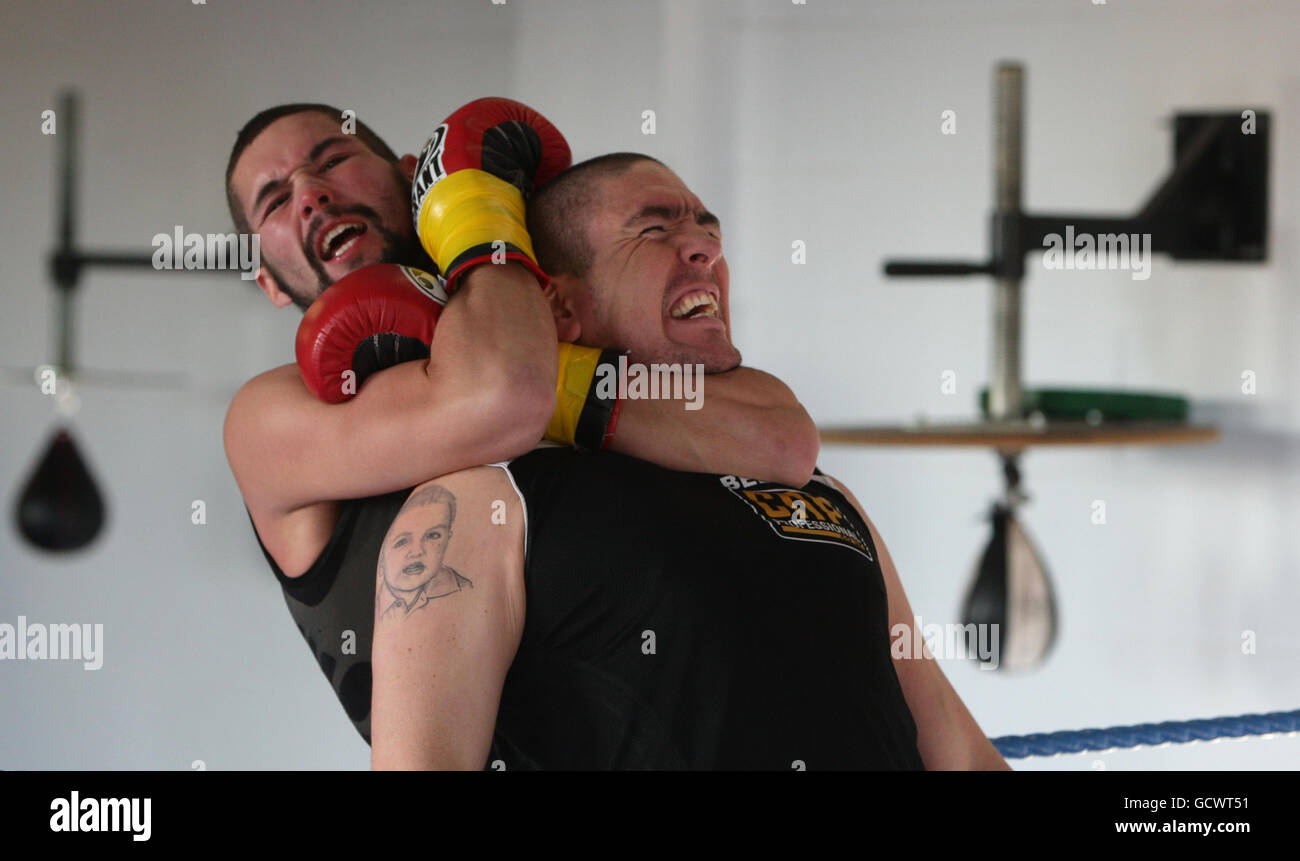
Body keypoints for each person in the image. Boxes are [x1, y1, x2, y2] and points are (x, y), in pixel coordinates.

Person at [369, 154, 1012, 770]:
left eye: (708, 230)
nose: (706, 248)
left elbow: (962, 756)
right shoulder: (486, 506)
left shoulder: (820, 493)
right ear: (560, 307)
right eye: (654, 230)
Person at [221, 101, 821, 741]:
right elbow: (502, 395)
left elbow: (777, 435)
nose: (311, 194)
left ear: (410, 173)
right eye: (274, 201)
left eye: (333, 160)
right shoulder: (269, 415)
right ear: (269, 283)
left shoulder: (536, 314)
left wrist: (500, 322)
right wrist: (481, 224)